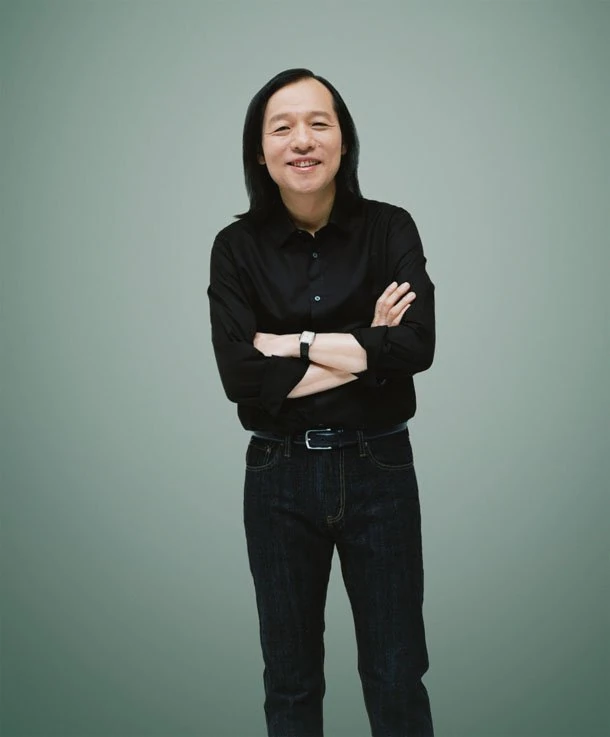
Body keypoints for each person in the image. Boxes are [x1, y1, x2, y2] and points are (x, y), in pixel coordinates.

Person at [207, 68, 436, 737]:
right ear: (259, 151)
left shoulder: (390, 228)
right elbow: (240, 379)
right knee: (290, 679)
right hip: (277, 474)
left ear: (343, 140)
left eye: (319, 123)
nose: (301, 140)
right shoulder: (235, 248)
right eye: (281, 127)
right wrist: (367, 348)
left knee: (397, 673)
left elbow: (416, 346)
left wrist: (293, 345)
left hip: (379, 468)